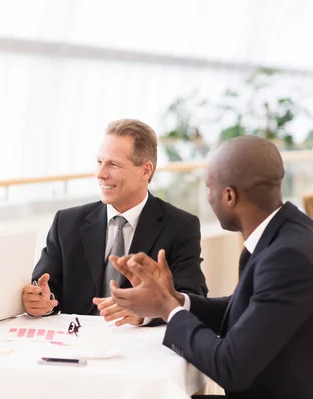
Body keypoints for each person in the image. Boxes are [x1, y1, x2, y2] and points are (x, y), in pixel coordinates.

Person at [109, 135, 313, 398]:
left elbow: (230, 366)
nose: (207, 198)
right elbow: (249, 308)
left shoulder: (286, 257)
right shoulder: (287, 232)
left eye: (208, 188)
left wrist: (167, 309)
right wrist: (177, 299)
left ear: (229, 196)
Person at [23, 119, 208, 325]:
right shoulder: (66, 222)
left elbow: (193, 296)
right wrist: (39, 300)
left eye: (113, 164)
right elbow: (43, 286)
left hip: (137, 345)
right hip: (73, 342)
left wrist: (146, 313)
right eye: (99, 162)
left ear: (145, 171)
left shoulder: (180, 226)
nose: (100, 174)